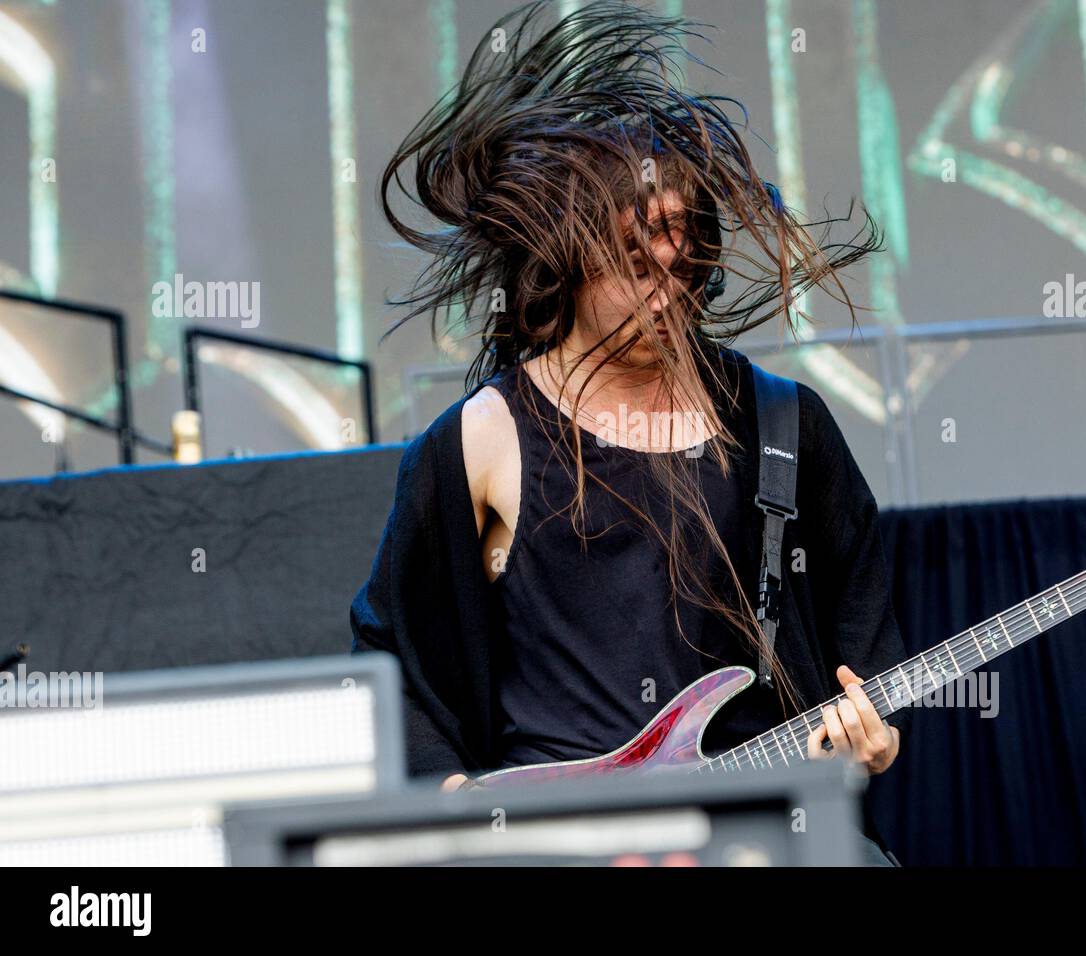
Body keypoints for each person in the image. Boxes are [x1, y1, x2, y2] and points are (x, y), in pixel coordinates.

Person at [352, 0, 911, 864]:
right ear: (569, 262)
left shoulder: (782, 423)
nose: (666, 286)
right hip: (565, 846)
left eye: (682, 258)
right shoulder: (485, 436)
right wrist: (450, 795)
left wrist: (874, 730)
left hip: (760, 831)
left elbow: (861, 633)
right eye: (634, 258)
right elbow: (391, 654)